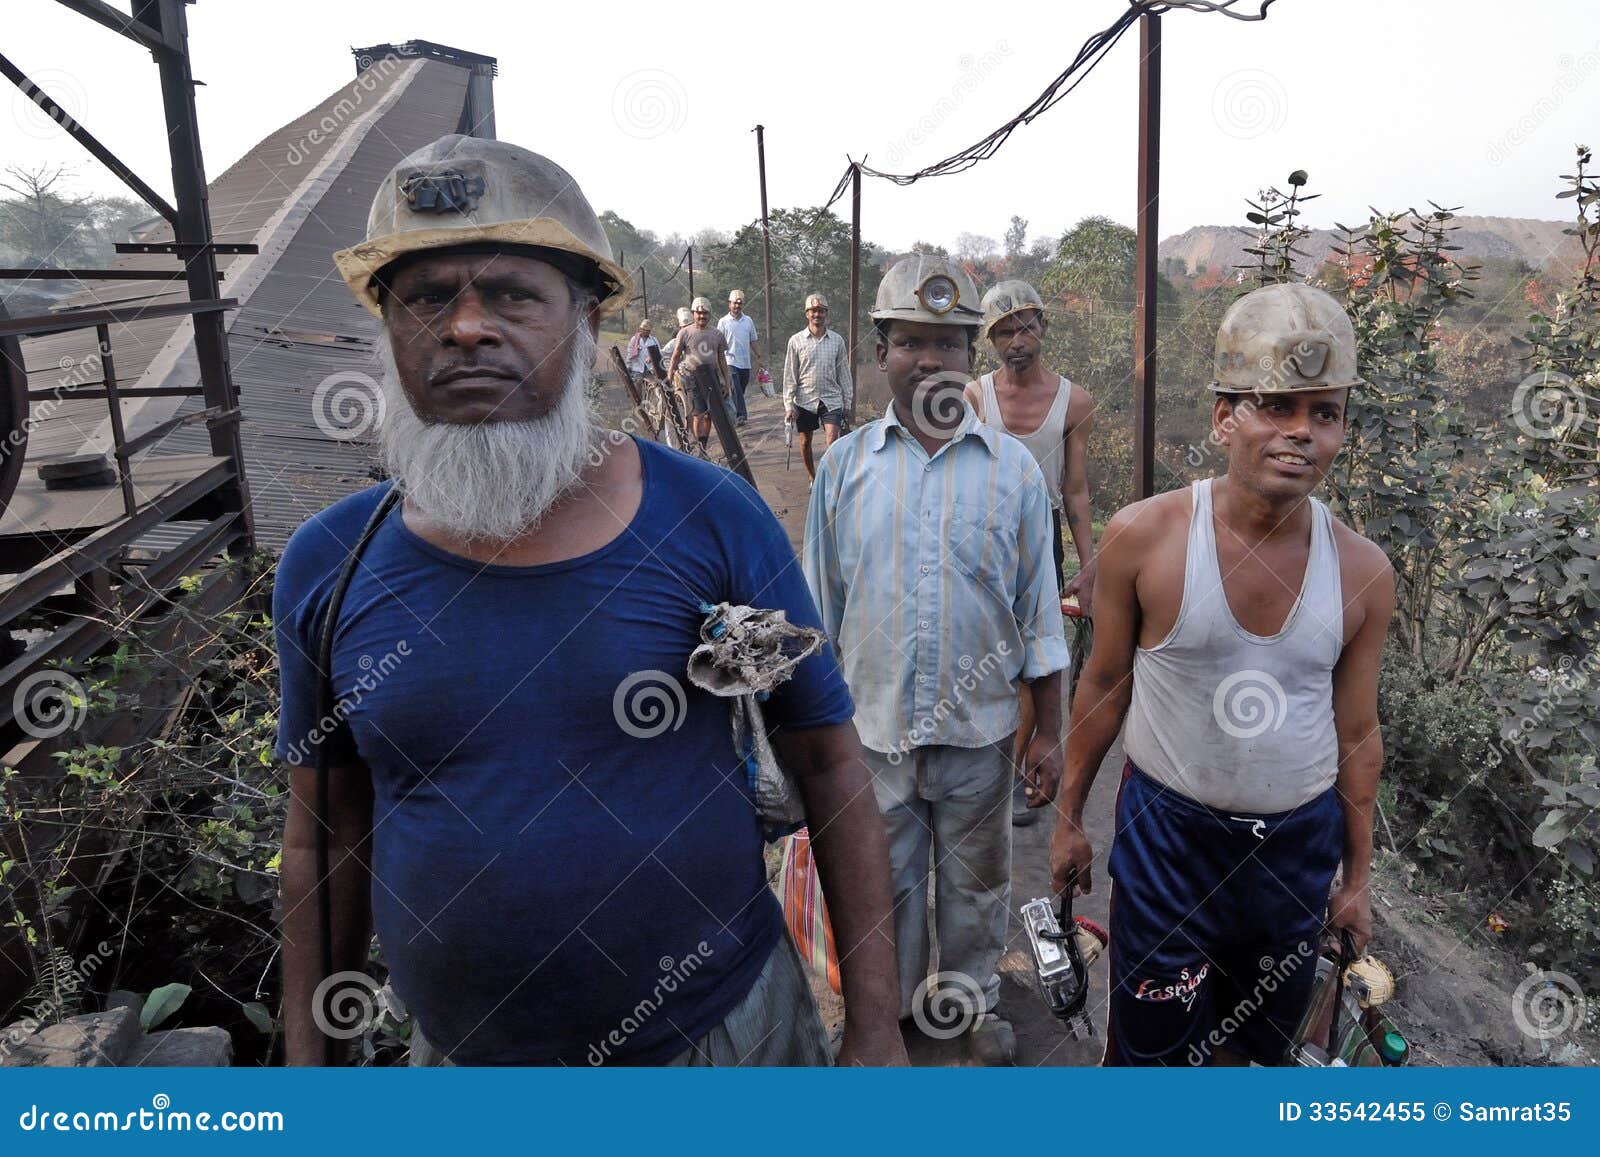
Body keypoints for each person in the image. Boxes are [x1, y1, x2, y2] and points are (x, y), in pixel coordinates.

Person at [280, 134, 906, 1067]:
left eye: (510, 295)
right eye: (425, 298)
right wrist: (308, 1067)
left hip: (725, 1046)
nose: (465, 327)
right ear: (390, 330)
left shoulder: (710, 518)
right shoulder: (329, 564)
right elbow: (322, 834)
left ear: (584, 321)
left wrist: (877, 1027)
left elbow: (830, 768)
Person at [1047, 282, 1394, 1067]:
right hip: (1169, 840)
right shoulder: (1146, 538)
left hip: (1295, 851)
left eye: (1326, 413)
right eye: (1276, 405)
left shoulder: (1364, 573)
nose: (1301, 432)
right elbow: (1102, 686)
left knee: (1260, 1052)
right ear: (1222, 418)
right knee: (1154, 1049)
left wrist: (1356, 877)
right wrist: (1070, 816)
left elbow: (1358, 734)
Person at [804, 255, 1068, 1065]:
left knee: (977, 889)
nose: (929, 359)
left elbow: (1040, 619)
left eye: (948, 344)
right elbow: (820, 613)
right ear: (880, 349)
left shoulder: (1014, 472)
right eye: (910, 341)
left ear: (969, 357)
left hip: (978, 738)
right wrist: (812, 747)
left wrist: (1049, 733)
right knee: (883, 891)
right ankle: (886, 1021)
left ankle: (969, 1010)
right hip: (872, 736)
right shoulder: (844, 468)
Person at [965, 281, 1097, 827]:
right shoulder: (976, 397)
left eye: (1024, 327)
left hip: (1039, 537)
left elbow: (1076, 489)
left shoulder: (1074, 401)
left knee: (1032, 662)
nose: (1015, 341)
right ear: (991, 342)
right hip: (982, 536)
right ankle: (981, 765)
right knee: (983, 654)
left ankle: (1016, 772)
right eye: (1002, 332)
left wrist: (1089, 565)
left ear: (1043, 328)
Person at [783, 292, 851, 481]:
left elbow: (844, 373)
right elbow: (790, 375)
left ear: (826, 314)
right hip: (805, 400)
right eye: (813, 311)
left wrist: (847, 402)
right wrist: (789, 406)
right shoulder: (795, 341)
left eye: (820, 311)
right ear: (807, 314)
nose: (817, 315)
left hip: (832, 398)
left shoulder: (837, 341)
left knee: (832, 440)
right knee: (805, 442)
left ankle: (827, 479)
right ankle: (813, 477)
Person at [666, 296, 733, 452]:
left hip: (713, 378)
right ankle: (700, 445)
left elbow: (722, 359)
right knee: (698, 414)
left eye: (705, 314)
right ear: (693, 313)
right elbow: (676, 355)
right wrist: (669, 376)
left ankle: (704, 443)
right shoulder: (685, 333)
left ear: (710, 315)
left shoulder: (717, 334)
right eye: (699, 313)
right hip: (692, 379)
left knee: (711, 414)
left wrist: (727, 383)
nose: (702, 316)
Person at [717, 289, 761, 427]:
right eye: (735, 303)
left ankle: (728, 412)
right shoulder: (723, 322)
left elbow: (753, 340)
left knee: (739, 390)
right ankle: (740, 416)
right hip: (730, 361)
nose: (737, 306)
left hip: (745, 363)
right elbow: (718, 342)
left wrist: (759, 356)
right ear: (729, 304)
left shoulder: (748, 321)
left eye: (740, 304)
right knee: (735, 387)